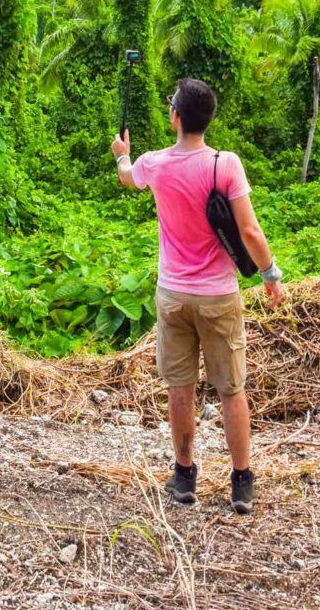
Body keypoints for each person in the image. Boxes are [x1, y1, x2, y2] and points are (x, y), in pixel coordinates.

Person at [111, 77, 283, 513]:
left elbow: (127, 178)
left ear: (175, 118)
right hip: (219, 296)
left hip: (173, 295)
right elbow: (249, 230)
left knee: (180, 388)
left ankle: (184, 475)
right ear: (208, 119)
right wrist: (269, 274)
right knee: (231, 389)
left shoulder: (154, 164)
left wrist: (123, 154)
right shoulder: (226, 165)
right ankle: (241, 481)